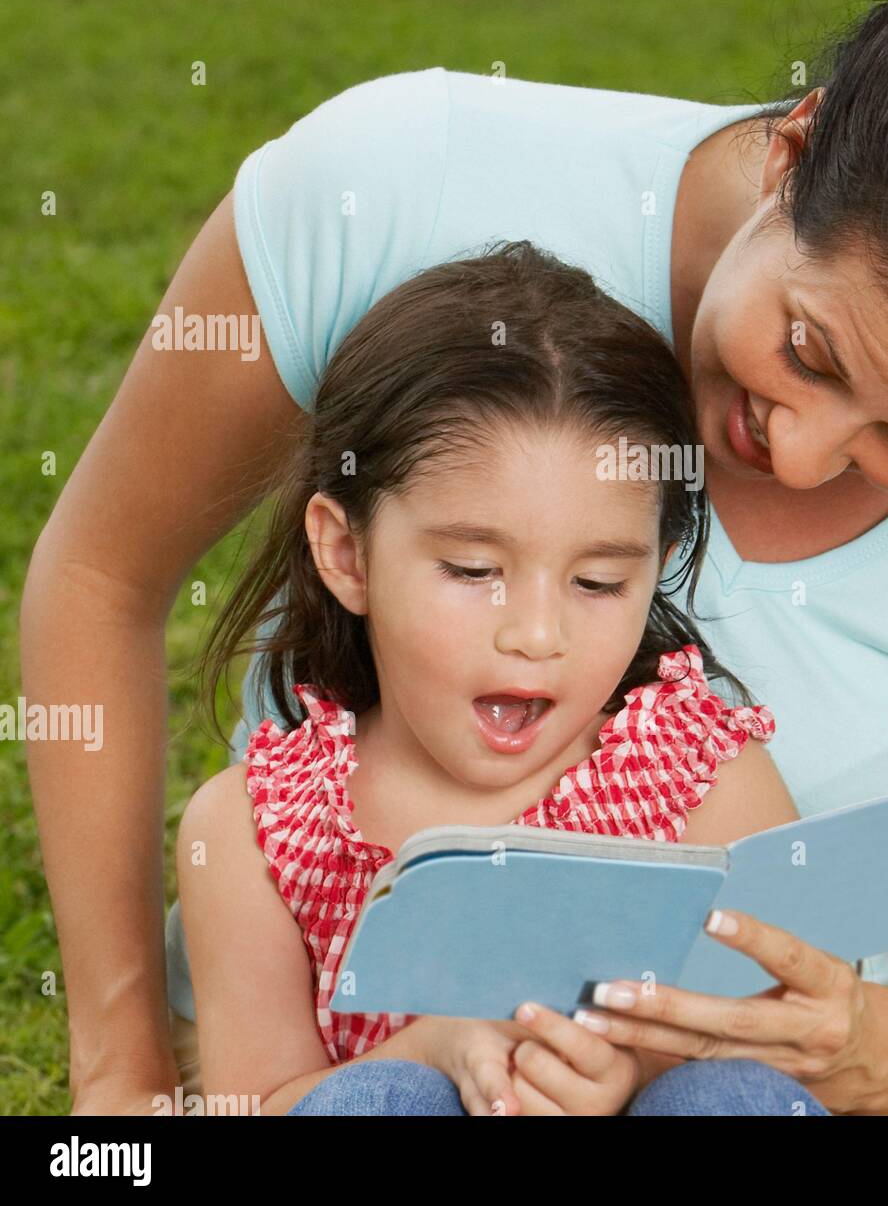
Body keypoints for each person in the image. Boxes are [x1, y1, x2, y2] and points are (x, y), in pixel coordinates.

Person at [22, 0, 888, 1116]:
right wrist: (120, 1082)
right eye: (810, 350)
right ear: (796, 146)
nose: (796, 457)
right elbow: (99, 579)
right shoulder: (399, 182)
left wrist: (862, 1050)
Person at [175, 247, 801, 1114]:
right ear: (348, 553)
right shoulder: (262, 833)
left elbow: (796, 1041)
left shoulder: (701, 783)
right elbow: (262, 1102)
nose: (536, 635)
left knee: (738, 1091)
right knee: (377, 1097)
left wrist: (627, 1076)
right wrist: (433, 1048)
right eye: (473, 570)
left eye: (598, 584)